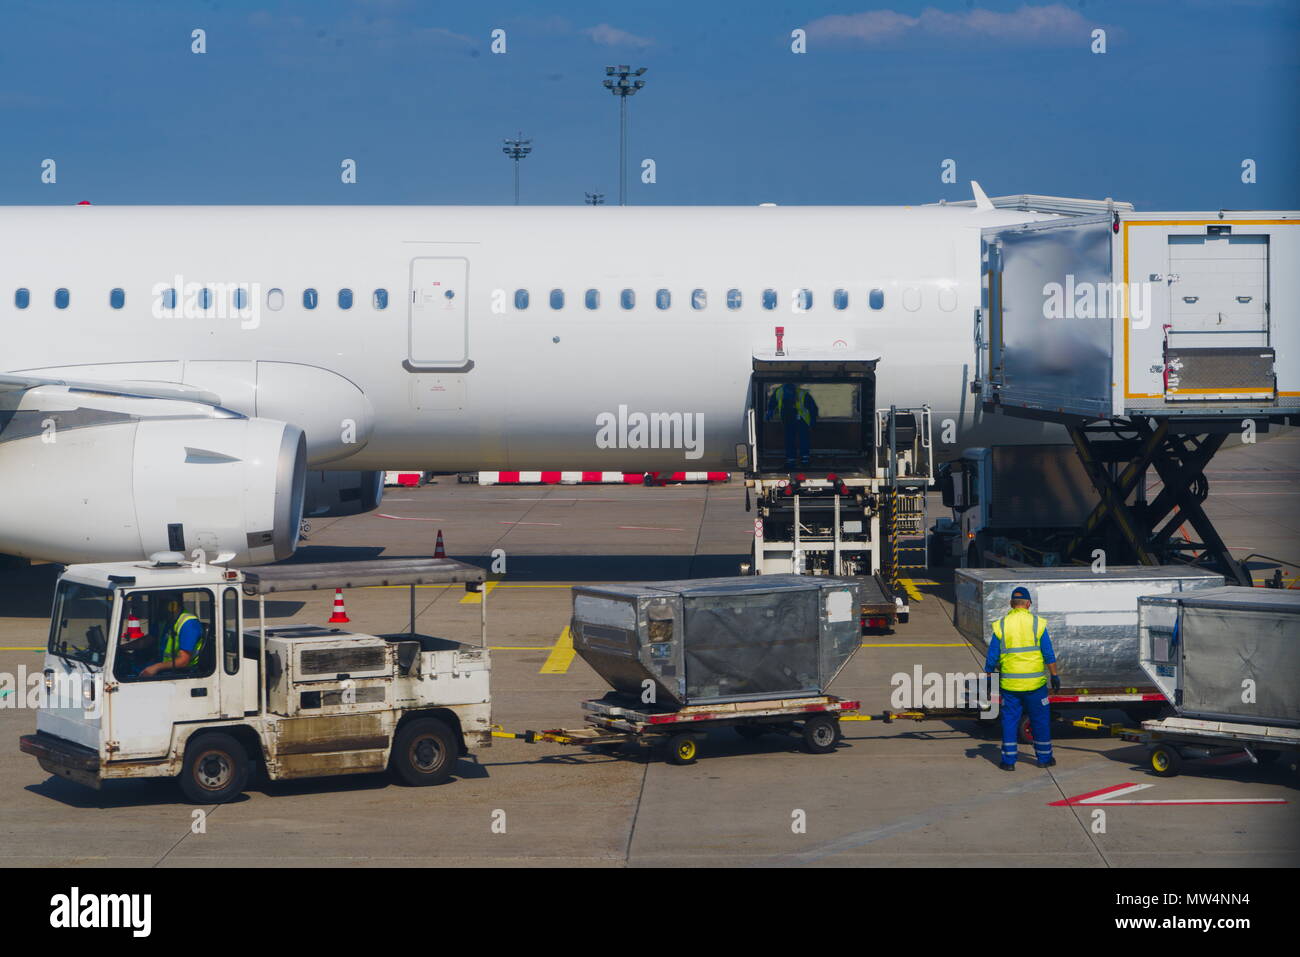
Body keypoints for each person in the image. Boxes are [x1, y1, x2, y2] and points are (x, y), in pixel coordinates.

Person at [984, 585, 1060, 771]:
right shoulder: (1037, 623)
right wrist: (1054, 675)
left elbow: (992, 654)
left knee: (1009, 721)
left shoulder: (1001, 625)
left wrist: (988, 675)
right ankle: (1044, 758)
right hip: (1035, 684)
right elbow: (1048, 653)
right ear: (1028, 604)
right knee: (1040, 720)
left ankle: (1008, 761)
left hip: (1010, 684)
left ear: (1011, 604)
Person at [121, 593, 205, 679]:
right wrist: (122, 647)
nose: (159, 607)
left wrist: (156, 667)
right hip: (163, 666)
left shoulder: (188, 624)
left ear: (173, 605)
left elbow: (183, 661)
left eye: (162, 603)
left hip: (180, 672)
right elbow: (147, 640)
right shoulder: (165, 621)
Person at [765, 382, 819, 468]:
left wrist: (813, 420)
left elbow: (813, 409)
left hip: (802, 420)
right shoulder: (779, 392)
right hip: (788, 419)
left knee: (802, 439)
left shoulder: (802, 394)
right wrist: (770, 412)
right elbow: (772, 404)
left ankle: (804, 460)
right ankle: (792, 460)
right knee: (790, 439)